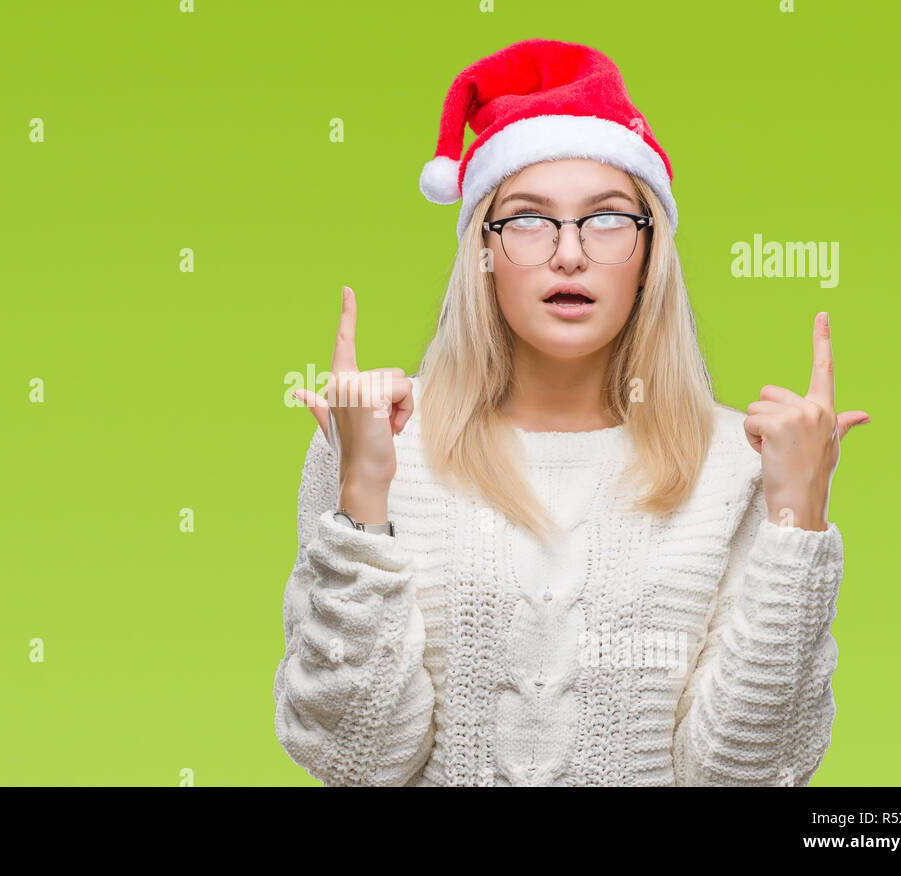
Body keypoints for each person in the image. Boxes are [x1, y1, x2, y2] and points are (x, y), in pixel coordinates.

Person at [272, 38, 869, 786]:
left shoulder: (737, 465)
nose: (568, 253)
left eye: (608, 219)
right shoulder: (379, 439)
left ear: (651, 252)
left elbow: (744, 776)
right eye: (525, 220)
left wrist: (798, 521)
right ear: (481, 254)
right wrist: (362, 494)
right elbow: (358, 760)